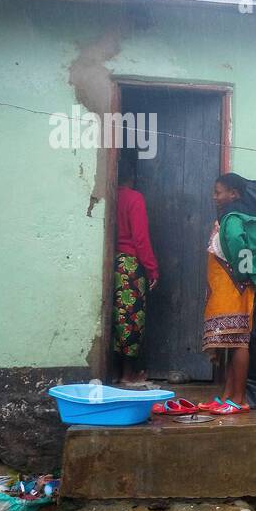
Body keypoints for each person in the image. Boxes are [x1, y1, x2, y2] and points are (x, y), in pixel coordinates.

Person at [201, 172, 256, 413]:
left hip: (234, 290)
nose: (215, 197)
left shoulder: (232, 219)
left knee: (239, 343)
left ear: (234, 194)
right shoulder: (235, 217)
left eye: (218, 192)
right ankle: (226, 396)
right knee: (232, 343)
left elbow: (239, 245)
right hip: (232, 290)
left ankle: (239, 400)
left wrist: (241, 276)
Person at [112, 155, 158, 387]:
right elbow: (140, 238)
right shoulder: (133, 198)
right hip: (130, 264)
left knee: (118, 319)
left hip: (113, 263)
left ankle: (117, 371)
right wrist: (152, 269)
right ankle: (127, 375)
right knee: (131, 319)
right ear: (133, 177)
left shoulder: (110, 197)